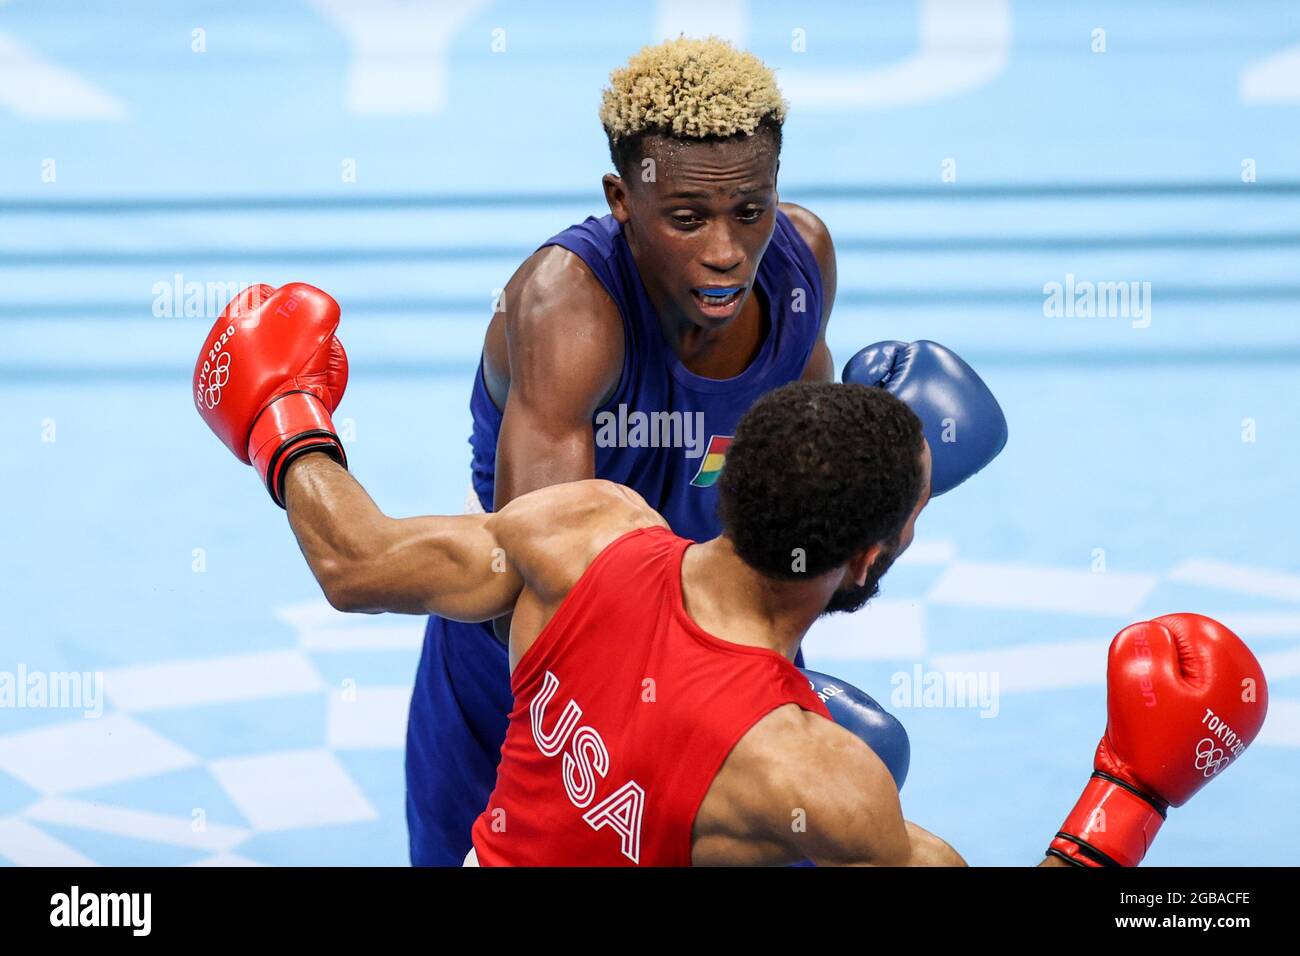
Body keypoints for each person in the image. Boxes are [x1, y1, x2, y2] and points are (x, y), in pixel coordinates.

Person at [191, 285, 1265, 865]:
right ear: (870, 556)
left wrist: (285, 417)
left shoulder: (582, 529)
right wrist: (1128, 793)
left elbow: (354, 558)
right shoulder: (815, 778)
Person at [407, 35, 1006, 865]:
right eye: (687, 218)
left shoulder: (803, 266)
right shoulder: (567, 308)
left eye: (749, 211)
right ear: (623, 199)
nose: (726, 251)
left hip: (717, 640)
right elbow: (533, 577)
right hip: (526, 658)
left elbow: (798, 489)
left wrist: (890, 498)